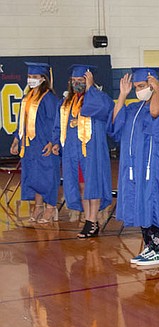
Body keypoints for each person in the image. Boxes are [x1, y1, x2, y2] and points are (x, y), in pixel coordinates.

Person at [109, 67, 159, 266]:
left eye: (142, 86)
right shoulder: (133, 109)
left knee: (155, 201)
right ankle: (149, 246)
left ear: (152, 85)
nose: (139, 90)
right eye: (136, 87)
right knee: (141, 202)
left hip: (153, 165)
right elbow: (115, 124)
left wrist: (157, 91)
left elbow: (156, 114)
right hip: (136, 166)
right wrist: (122, 95)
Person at [59, 64, 114, 239]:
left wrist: (90, 88)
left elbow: (101, 109)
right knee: (82, 186)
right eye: (74, 80)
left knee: (93, 184)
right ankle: (88, 218)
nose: (77, 83)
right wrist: (55, 142)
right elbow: (58, 124)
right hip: (73, 152)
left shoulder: (100, 97)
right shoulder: (67, 102)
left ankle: (92, 220)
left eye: (81, 80)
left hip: (92, 151)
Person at [11, 62, 60, 224]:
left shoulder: (49, 98)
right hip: (29, 145)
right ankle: (38, 206)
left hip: (44, 143)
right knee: (34, 176)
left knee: (47, 175)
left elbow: (55, 121)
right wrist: (16, 140)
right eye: (29, 76)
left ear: (43, 78)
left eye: (34, 77)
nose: (31, 79)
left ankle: (51, 208)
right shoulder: (27, 97)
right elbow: (21, 121)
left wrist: (52, 141)